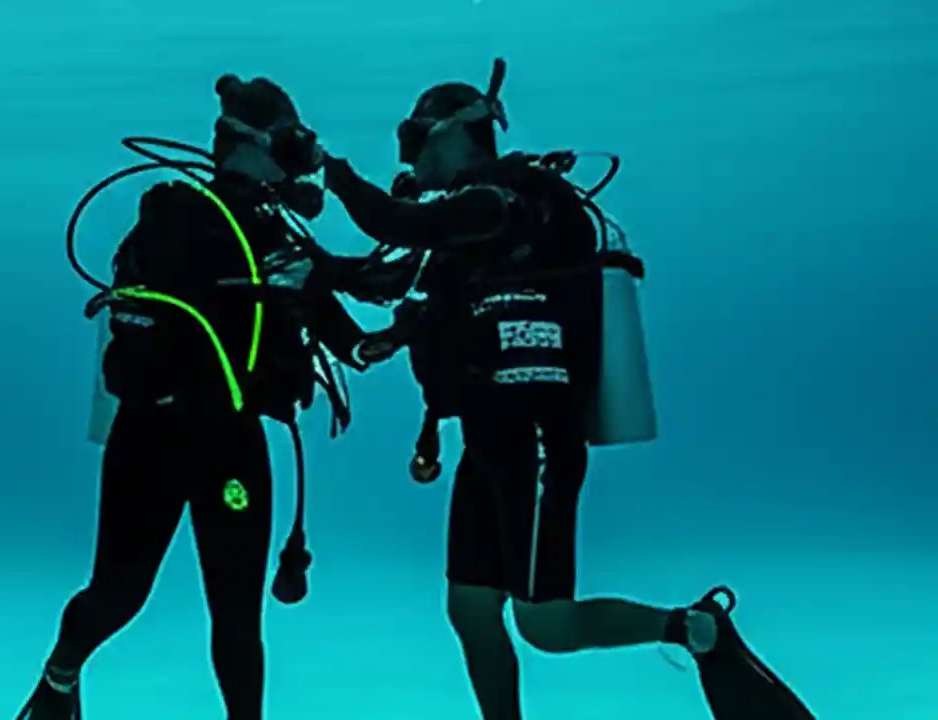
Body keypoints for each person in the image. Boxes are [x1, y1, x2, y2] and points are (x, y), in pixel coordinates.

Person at [319, 60, 817, 720]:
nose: (409, 156)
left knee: (545, 629)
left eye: (415, 138)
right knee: (470, 610)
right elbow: (392, 281)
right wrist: (321, 282)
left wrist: (337, 174)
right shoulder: (469, 229)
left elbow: (396, 224)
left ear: (461, 135)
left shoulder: (507, 203)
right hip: (486, 438)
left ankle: (698, 630)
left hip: (534, 442)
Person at [15, 74, 373, 720]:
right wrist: (276, 279)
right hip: (153, 438)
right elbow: (209, 288)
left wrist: (370, 345)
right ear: (245, 145)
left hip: (232, 441)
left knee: (238, 616)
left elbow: (323, 306)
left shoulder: (276, 229)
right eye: (288, 141)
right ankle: (57, 683)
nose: (296, 155)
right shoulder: (177, 216)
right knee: (118, 594)